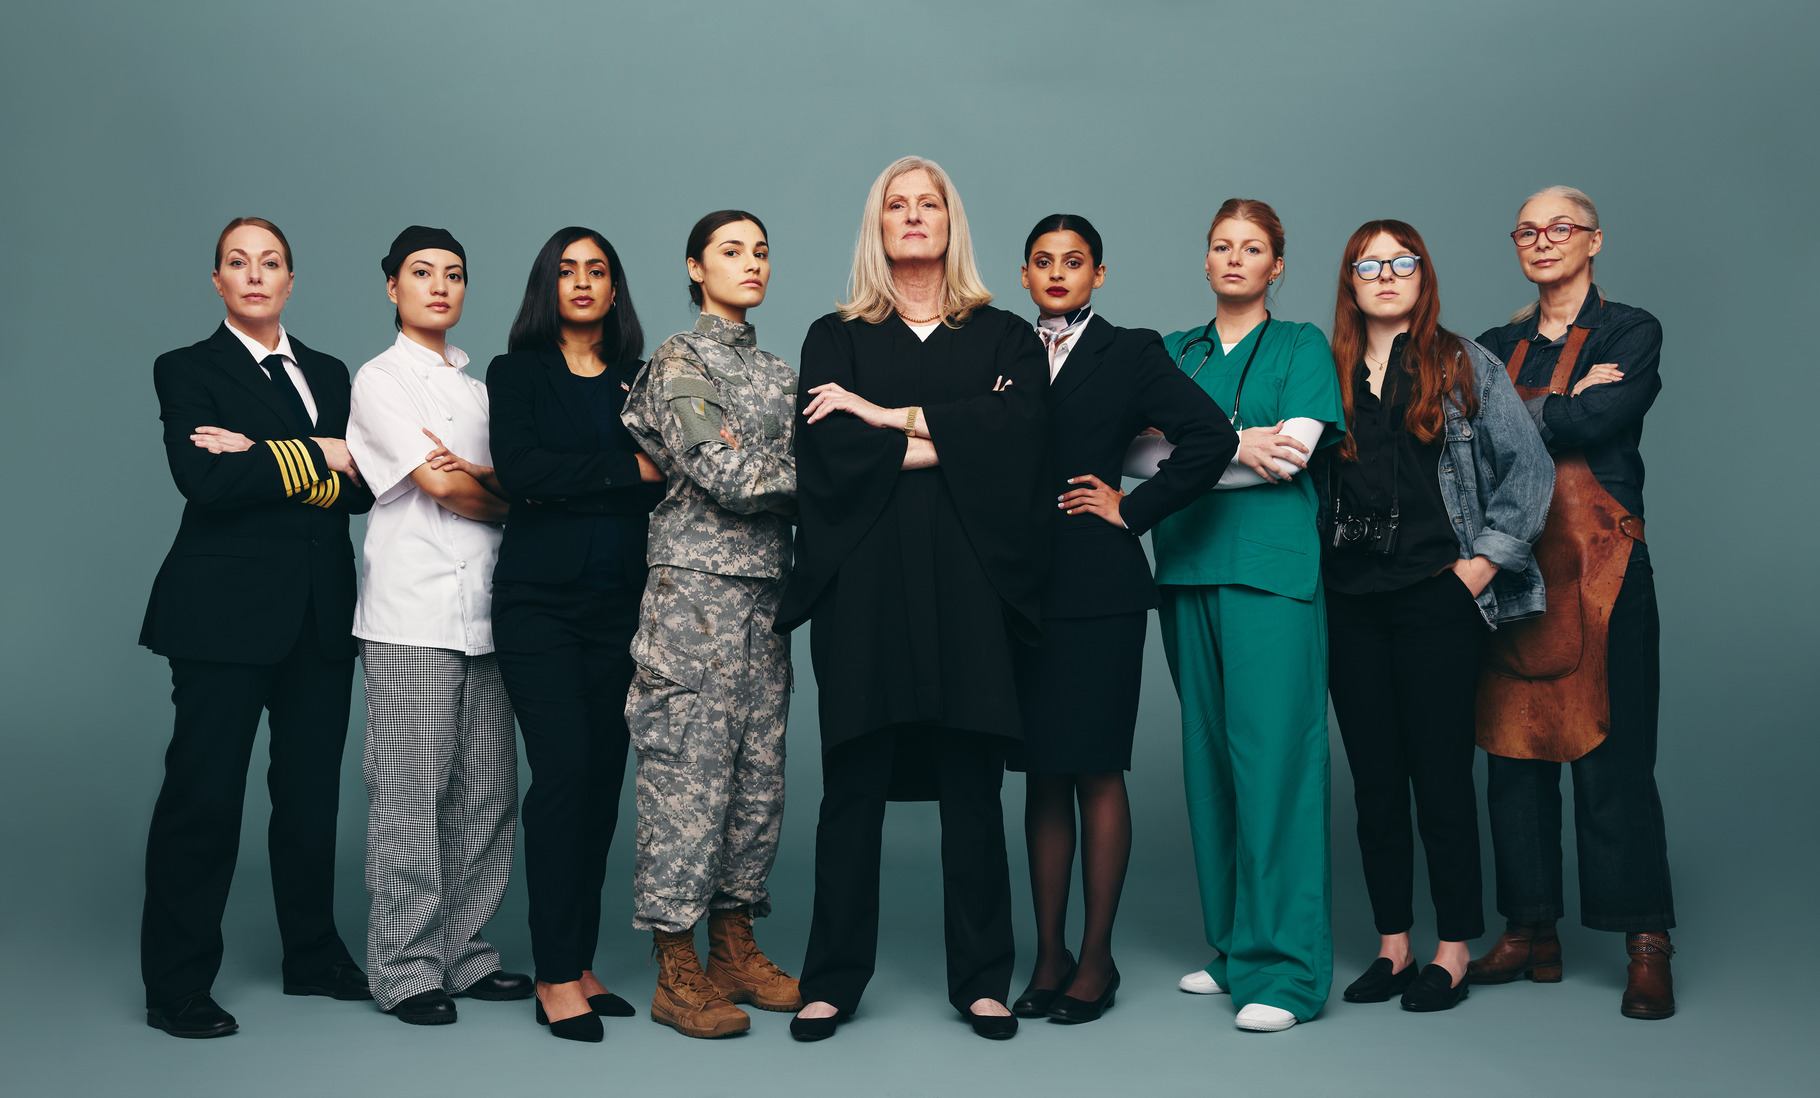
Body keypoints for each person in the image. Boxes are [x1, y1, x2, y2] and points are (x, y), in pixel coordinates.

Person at [778, 156, 1051, 1041]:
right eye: (896, 205)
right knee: (852, 782)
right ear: (878, 225)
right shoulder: (836, 336)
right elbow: (828, 458)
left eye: (928, 203)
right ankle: (831, 979)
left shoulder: (1004, 335)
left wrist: (881, 415)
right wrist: (960, 431)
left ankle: (980, 981)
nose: (913, 215)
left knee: (972, 782)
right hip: (867, 588)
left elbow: (1023, 439)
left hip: (971, 588)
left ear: (950, 221)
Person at [139, 217, 374, 1038]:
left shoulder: (331, 370)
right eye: (237, 263)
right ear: (216, 280)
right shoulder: (186, 368)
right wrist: (322, 454)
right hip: (220, 617)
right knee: (203, 802)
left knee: (309, 802)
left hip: (319, 614)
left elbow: (365, 490)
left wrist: (267, 455)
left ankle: (312, 957)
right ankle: (176, 985)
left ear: (291, 278)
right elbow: (204, 479)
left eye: (269, 262)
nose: (254, 275)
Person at [1317, 220, 1553, 1014]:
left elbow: (1529, 468)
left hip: (1435, 599)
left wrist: (1478, 568)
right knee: (1376, 784)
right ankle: (1393, 947)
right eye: (1369, 264)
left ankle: (1452, 949)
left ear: (1423, 275)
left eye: (1402, 262)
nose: (1386, 274)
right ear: (1350, 281)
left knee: (1441, 777)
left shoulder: (1461, 363)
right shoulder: (1329, 367)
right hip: (1350, 602)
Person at [1005, 214, 1236, 1026]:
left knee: (1095, 767)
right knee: (1040, 771)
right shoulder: (1001, 346)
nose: (1059, 273)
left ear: (1098, 274)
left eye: (1075, 262)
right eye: (1044, 262)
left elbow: (1211, 436)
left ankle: (1095, 958)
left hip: (1098, 588)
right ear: (1025, 275)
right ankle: (1047, 954)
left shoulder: (1131, 349)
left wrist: (1134, 510)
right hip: (1016, 590)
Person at [1468, 187, 1677, 1020]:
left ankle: (1646, 941)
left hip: (1602, 564)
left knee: (1612, 757)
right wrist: (1560, 403)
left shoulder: (1632, 329)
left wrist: (1530, 412)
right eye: (1528, 229)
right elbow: (1467, 437)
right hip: (1513, 565)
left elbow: (1604, 417)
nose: (1543, 241)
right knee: (1511, 755)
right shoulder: (1493, 343)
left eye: (1560, 228)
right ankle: (1529, 932)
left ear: (1594, 241)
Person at [1153, 198, 1345, 1033]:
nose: (1236, 258)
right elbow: (1133, 456)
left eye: (1253, 247)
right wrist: (1235, 446)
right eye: (1222, 246)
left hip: (1270, 577)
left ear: (1276, 266)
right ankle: (1235, 949)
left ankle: (1290, 973)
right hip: (1189, 569)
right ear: (1204, 261)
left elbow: (1293, 454)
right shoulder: (1173, 352)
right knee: (1211, 767)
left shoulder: (1301, 346)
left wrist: (1193, 457)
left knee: (1275, 770)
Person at [620, 210, 800, 1039]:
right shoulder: (678, 359)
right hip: (692, 597)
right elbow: (723, 471)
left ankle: (734, 945)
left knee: (756, 782)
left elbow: (770, 467)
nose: (751, 263)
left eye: (761, 252)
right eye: (732, 252)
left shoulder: (778, 370)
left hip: (766, 596)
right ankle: (676, 966)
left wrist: (795, 467)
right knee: (685, 780)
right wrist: (814, 469)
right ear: (697, 268)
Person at [345, 226, 531, 1025]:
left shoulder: (482, 390)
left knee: (488, 794)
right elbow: (444, 489)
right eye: (422, 273)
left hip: (489, 611)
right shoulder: (378, 380)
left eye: (454, 274)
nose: (440, 286)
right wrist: (493, 492)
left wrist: (497, 490)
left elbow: (515, 489)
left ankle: (463, 951)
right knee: (410, 796)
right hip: (411, 613)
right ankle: (405, 966)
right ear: (393, 287)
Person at [487, 227, 665, 1043]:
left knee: (600, 784)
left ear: (616, 289)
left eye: (598, 271)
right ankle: (554, 973)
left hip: (621, 605)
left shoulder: (644, 377)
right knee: (561, 777)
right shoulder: (516, 372)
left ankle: (582, 960)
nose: (584, 282)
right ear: (546, 286)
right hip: (540, 605)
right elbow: (522, 474)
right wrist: (625, 473)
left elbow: (676, 474)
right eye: (568, 270)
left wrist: (582, 482)